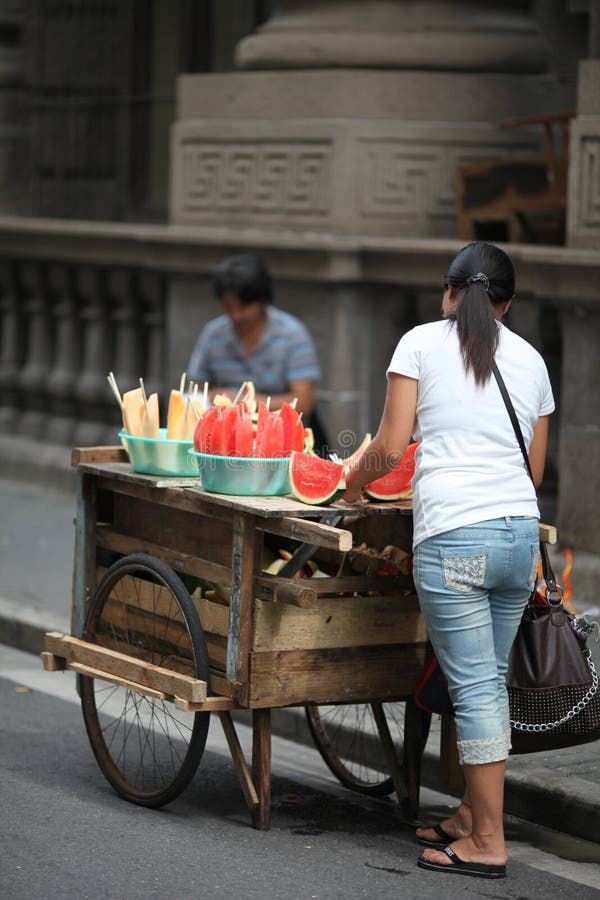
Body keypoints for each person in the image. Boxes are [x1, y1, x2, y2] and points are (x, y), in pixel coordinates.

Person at [343, 242, 554, 880]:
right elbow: (534, 471)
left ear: (448, 294)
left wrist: (351, 481)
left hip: (456, 542)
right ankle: (469, 814)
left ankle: (487, 840)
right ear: (507, 303)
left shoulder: (420, 343)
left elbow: (388, 444)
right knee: (485, 678)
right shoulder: (534, 360)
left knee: (478, 687)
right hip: (519, 539)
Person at [187, 253, 321, 419]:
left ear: (262, 300)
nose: (236, 315)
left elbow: (303, 403)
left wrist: (244, 401)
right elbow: (195, 394)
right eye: (228, 307)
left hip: (276, 433)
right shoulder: (213, 334)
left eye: (243, 307)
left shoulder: (292, 334)